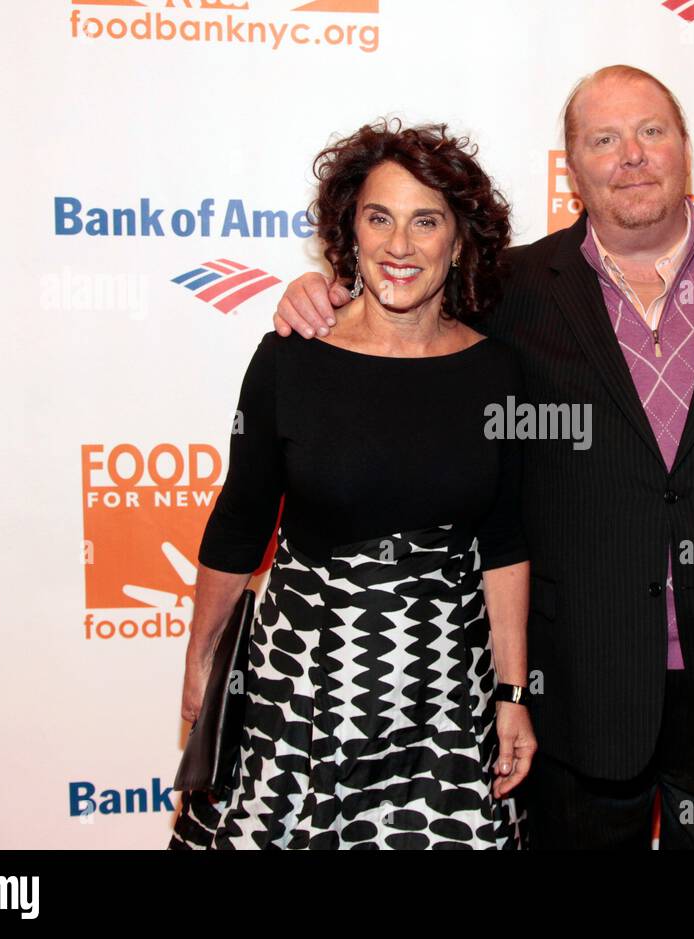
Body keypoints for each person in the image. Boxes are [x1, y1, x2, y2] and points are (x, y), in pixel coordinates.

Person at [272, 65, 694, 849]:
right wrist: (317, 295)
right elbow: (400, 315)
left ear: (686, 148)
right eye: (604, 139)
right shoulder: (509, 289)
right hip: (578, 697)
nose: (632, 155)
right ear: (572, 166)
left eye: (651, 132)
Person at [168, 120, 535, 850]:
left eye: (425, 220)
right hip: (300, 688)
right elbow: (240, 522)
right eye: (379, 217)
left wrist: (511, 695)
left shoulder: (499, 373)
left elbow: (504, 542)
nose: (400, 245)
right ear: (352, 231)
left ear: (458, 240)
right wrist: (202, 660)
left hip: (445, 699)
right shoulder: (290, 359)